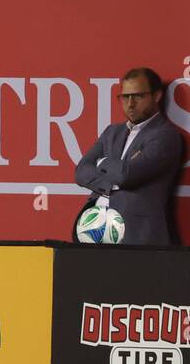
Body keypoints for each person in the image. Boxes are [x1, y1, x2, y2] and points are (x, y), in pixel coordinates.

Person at [75, 69, 184, 245]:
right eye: (125, 97)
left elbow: (127, 175)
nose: (130, 104)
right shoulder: (112, 132)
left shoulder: (165, 135)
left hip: (137, 235)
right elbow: (81, 171)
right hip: (93, 230)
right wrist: (112, 181)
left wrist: (101, 162)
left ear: (156, 96)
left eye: (138, 96)